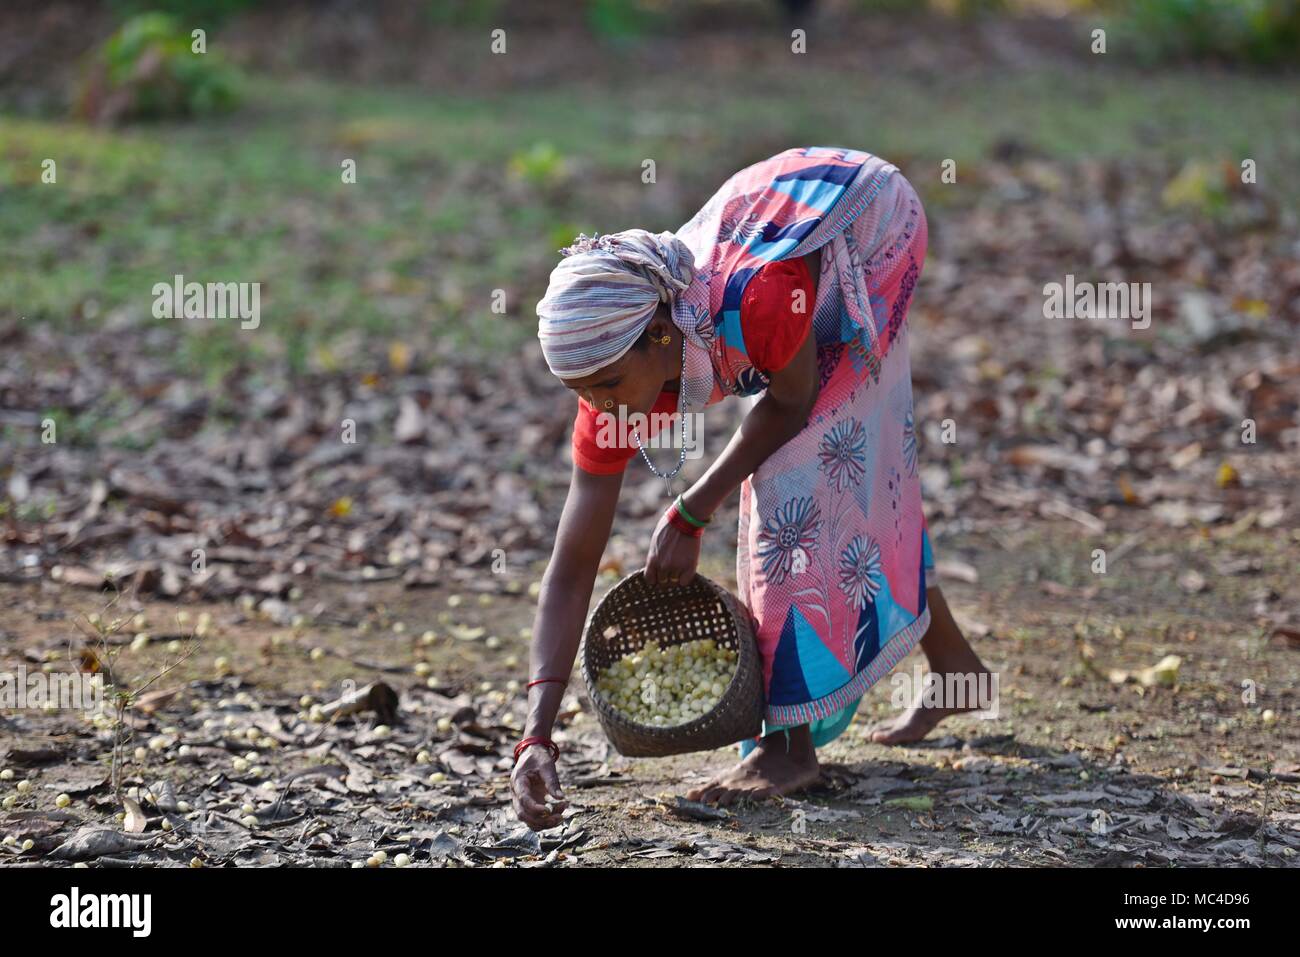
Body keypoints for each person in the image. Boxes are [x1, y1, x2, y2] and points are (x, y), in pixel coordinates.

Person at [511, 147, 991, 831]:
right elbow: (572, 561)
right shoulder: (613, 379)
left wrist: (692, 508)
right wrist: (536, 734)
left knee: (797, 485)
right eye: (580, 394)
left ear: (659, 335)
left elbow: (789, 404)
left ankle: (786, 745)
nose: (599, 406)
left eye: (607, 386)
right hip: (784, 244)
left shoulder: (757, 298)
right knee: (851, 478)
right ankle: (955, 666)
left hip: (869, 219)